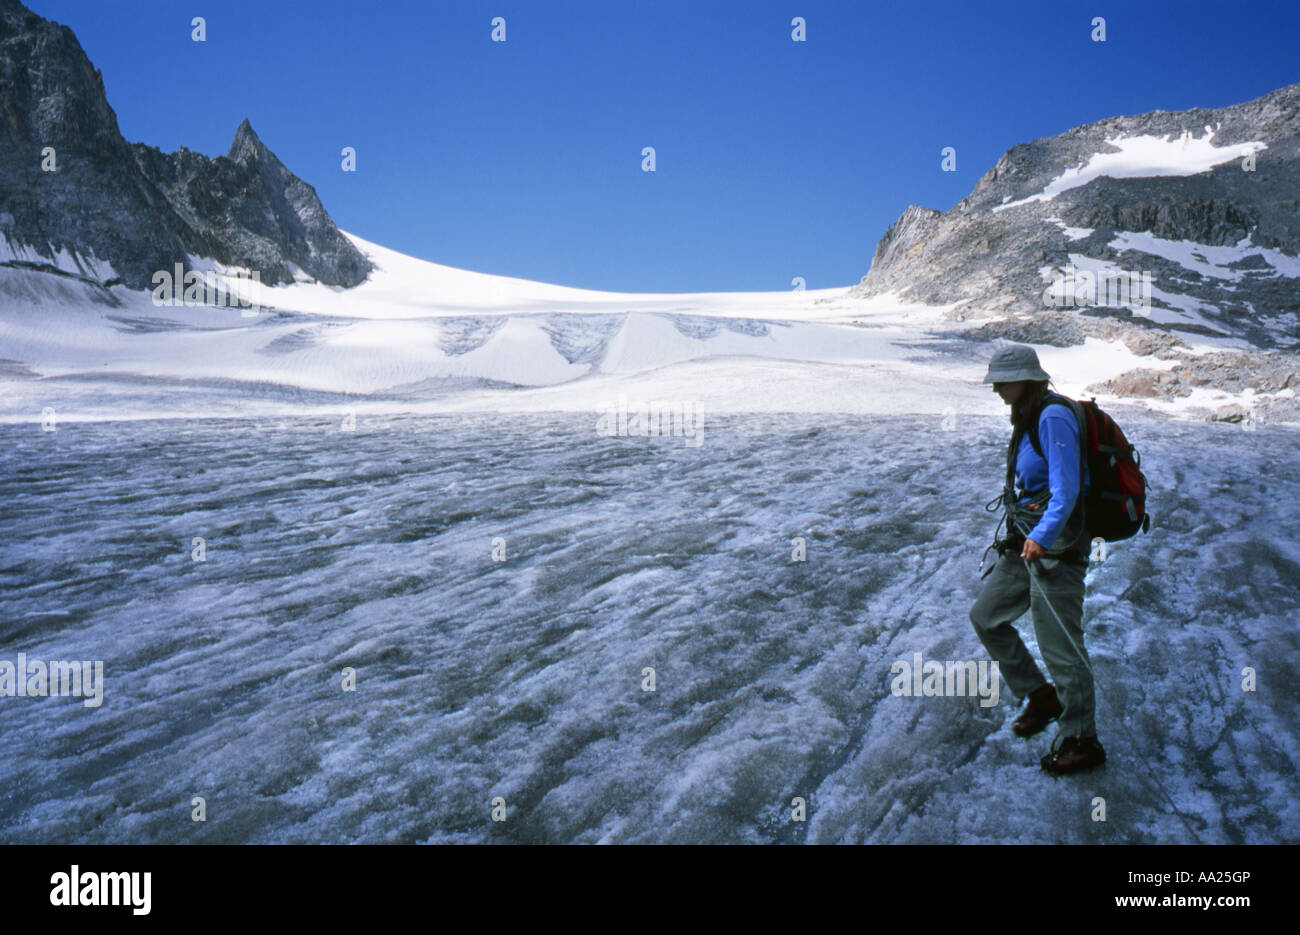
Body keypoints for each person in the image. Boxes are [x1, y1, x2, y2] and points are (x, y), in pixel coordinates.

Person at [970, 345, 1106, 774]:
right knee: (987, 616)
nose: (996, 390)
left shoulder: (1053, 417)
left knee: (1062, 646)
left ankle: (1081, 738)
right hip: (1025, 541)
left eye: (1002, 382)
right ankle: (1040, 694)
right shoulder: (1029, 416)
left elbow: (1067, 490)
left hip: (1055, 549)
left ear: (1026, 380)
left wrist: (1043, 538)